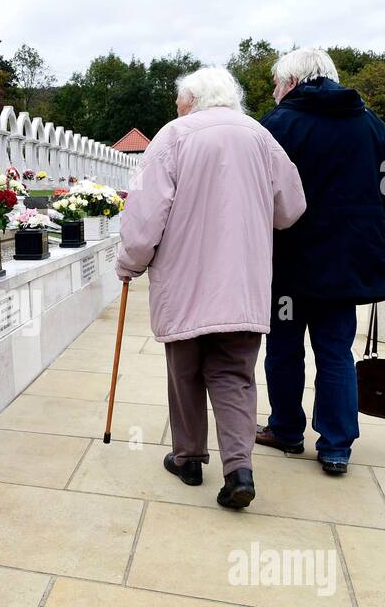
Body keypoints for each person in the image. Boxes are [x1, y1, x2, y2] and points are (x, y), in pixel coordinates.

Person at [115, 67, 306, 509]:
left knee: (184, 373)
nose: (177, 110)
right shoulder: (261, 137)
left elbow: (144, 219)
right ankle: (239, 469)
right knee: (236, 375)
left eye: (180, 102)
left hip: (185, 283)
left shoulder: (173, 137)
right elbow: (292, 207)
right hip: (242, 283)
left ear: (192, 101)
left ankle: (188, 458)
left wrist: (129, 264)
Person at [257, 48, 385, 475]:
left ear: (291, 82)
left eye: (276, 84)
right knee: (336, 351)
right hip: (346, 266)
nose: (274, 92)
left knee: (285, 348)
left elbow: (256, 197)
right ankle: (337, 445)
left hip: (288, 264)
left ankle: (286, 429)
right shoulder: (372, 126)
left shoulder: (279, 125)